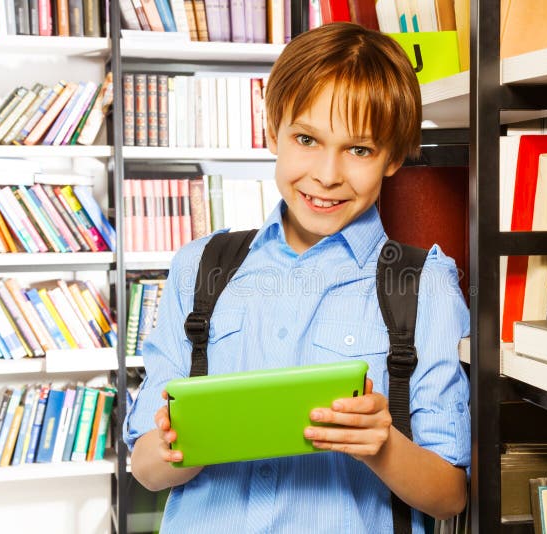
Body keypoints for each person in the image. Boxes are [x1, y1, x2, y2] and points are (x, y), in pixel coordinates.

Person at [124, 21, 471, 533]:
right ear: (272, 132)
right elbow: (146, 470)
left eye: (359, 150)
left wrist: (383, 445)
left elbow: (450, 497)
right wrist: (189, 442)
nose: (327, 174)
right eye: (306, 138)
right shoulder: (200, 267)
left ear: (393, 158)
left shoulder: (424, 285)